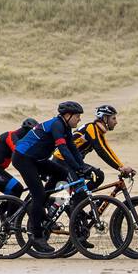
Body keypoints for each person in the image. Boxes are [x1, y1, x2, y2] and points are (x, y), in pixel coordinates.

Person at [12, 101, 92, 253]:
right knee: (39, 194)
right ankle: (36, 236)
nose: (79, 120)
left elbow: (73, 149)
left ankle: (43, 201)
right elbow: (62, 148)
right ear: (67, 116)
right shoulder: (56, 124)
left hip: (36, 159)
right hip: (23, 158)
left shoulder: (66, 127)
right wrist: (77, 167)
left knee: (61, 173)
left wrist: (82, 167)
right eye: (77, 116)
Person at [55, 104, 135, 188]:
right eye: (113, 118)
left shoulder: (98, 131)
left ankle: (84, 200)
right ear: (104, 118)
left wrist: (121, 166)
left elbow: (107, 150)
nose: (116, 122)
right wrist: (119, 168)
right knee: (97, 176)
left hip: (73, 162)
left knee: (98, 177)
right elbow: (101, 151)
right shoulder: (91, 128)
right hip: (62, 160)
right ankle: (82, 199)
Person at [0, 118, 38, 195]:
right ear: (27, 130)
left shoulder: (20, 140)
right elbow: (19, 153)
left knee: (12, 193)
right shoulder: (10, 135)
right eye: (32, 133)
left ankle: (4, 207)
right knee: (17, 188)